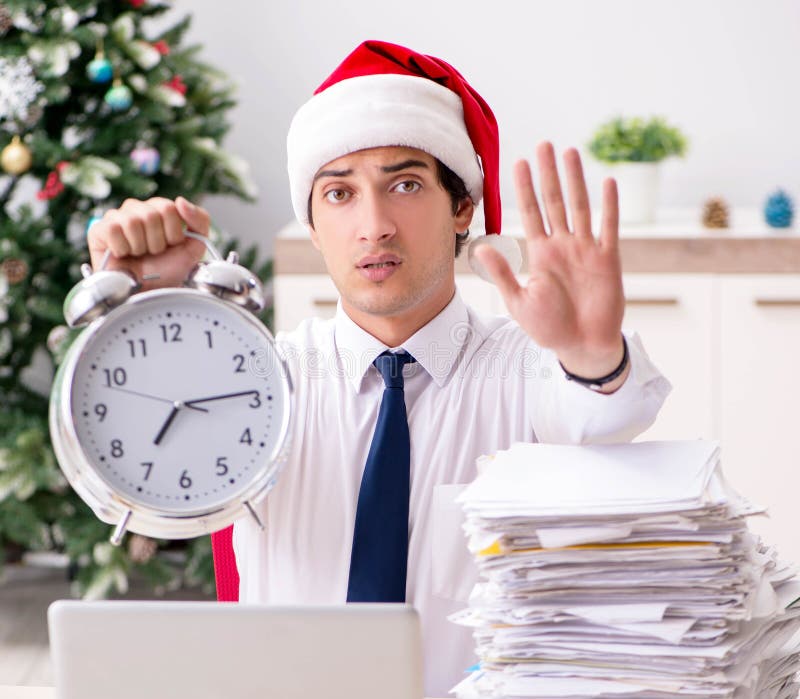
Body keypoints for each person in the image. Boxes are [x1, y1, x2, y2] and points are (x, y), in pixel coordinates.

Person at [87, 40, 671, 697]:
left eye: (405, 183)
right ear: (311, 224)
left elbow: (608, 408)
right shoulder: (260, 382)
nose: (374, 225)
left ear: (462, 208)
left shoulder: (529, 367)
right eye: (338, 192)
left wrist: (593, 356)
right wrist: (140, 321)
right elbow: (134, 491)